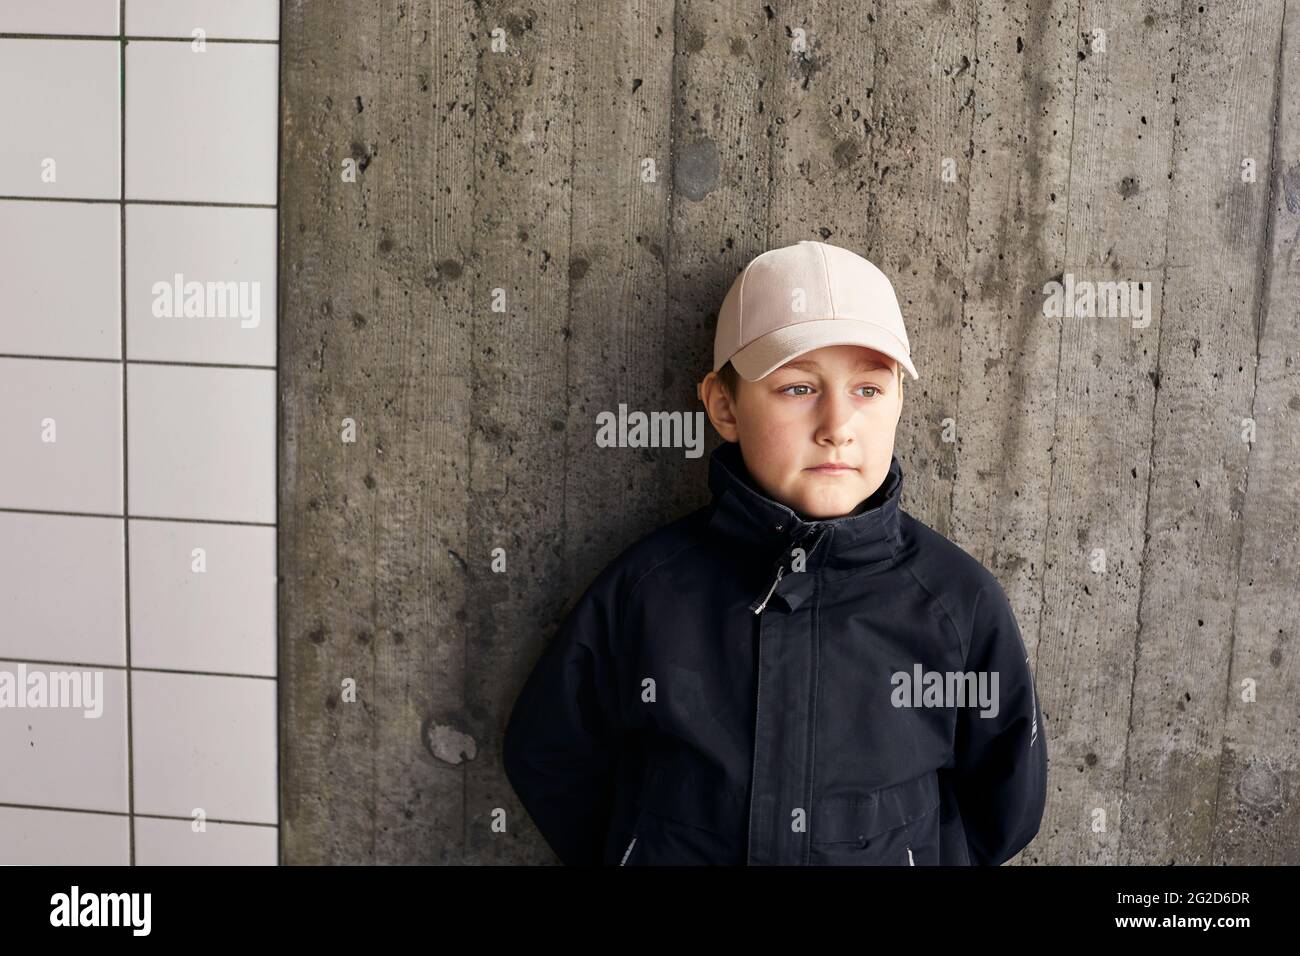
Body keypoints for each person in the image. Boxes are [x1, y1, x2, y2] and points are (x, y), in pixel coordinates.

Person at [502, 240, 1048, 865]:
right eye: (797, 388)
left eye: (868, 390)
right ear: (724, 406)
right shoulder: (646, 592)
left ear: (899, 400)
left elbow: (1006, 800)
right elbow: (549, 751)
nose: (837, 424)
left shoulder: (957, 602)